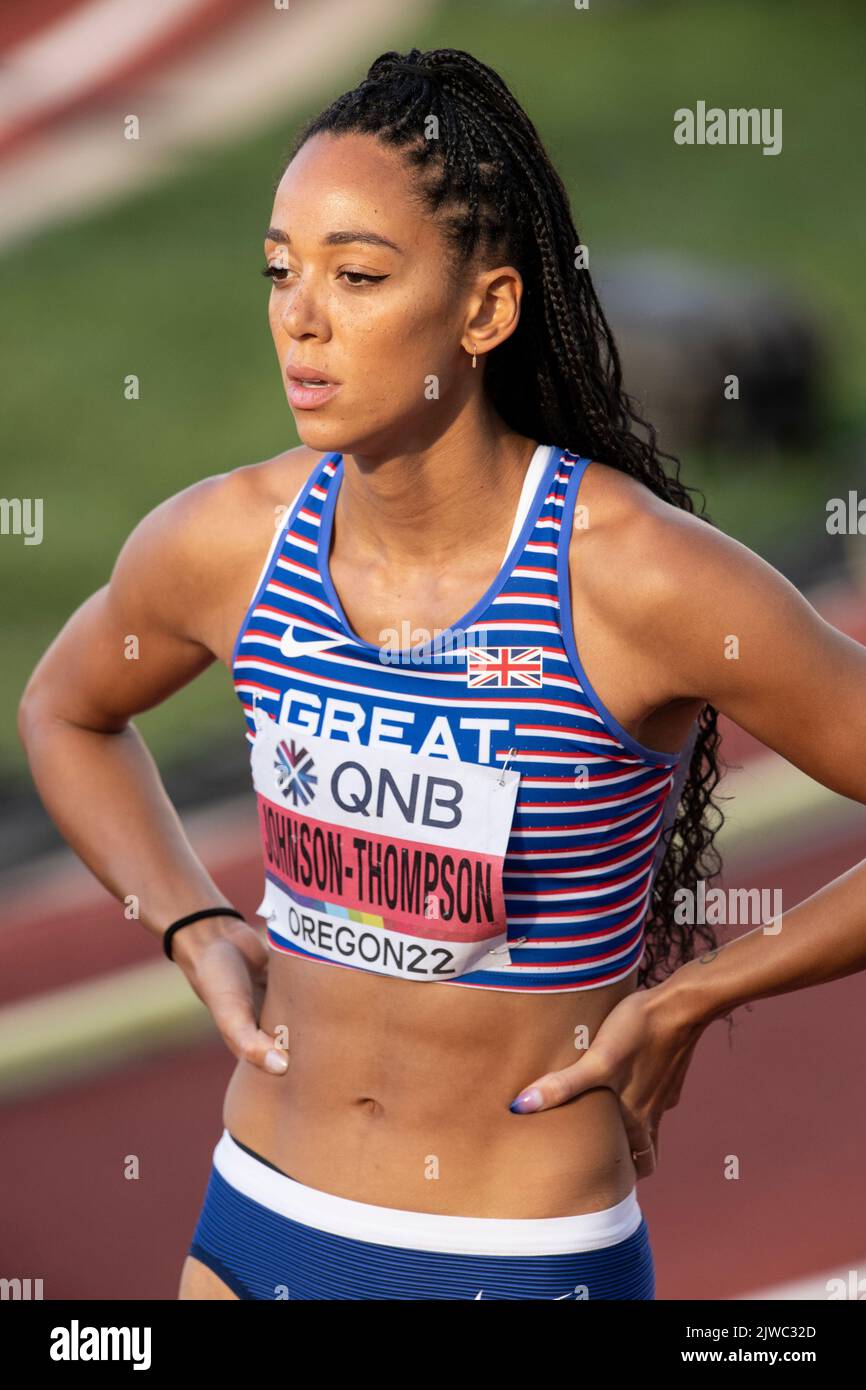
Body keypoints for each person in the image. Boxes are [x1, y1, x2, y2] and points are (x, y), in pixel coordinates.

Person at [18, 47, 866, 1301]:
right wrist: (192, 922)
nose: (298, 317)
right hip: (253, 1218)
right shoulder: (227, 543)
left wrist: (693, 994)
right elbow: (65, 710)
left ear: (483, 312)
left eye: (356, 276)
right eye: (280, 269)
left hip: (513, 1257)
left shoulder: (637, 578)